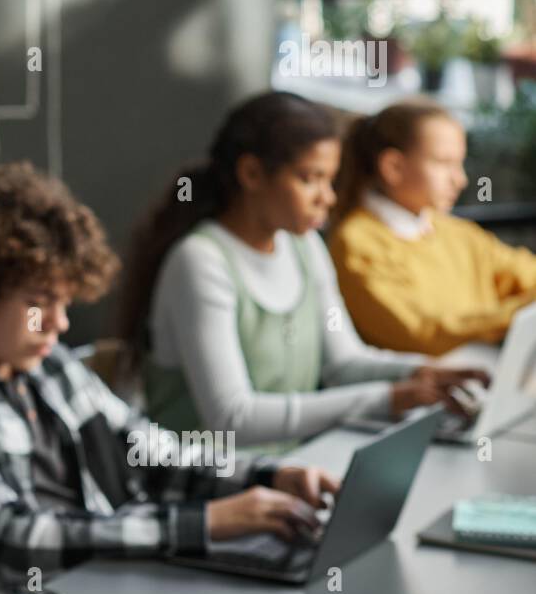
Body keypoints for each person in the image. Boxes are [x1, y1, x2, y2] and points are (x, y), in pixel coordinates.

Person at [0, 162, 341, 594]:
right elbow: (16, 537)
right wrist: (203, 524)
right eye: (39, 301)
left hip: (114, 587)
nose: (60, 323)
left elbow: (153, 453)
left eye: (65, 303)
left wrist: (268, 476)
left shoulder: (50, 367)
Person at [115, 92, 484, 448]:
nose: (329, 198)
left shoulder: (304, 247)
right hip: (207, 489)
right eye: (310, 179)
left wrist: (422, 372)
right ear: (252, 173)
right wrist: (387, 398)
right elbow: (232, 418)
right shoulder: (200, 262)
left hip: (288, 474)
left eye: (330, 179)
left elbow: (343, 363)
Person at [328, 98, 536, 355]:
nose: (460, 180)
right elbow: (423, 333)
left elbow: (525, 271)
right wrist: (518, 312)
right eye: (443, 163)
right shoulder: (356, 243)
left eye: (459, 163)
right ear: (393, 167)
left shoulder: (452, 230)